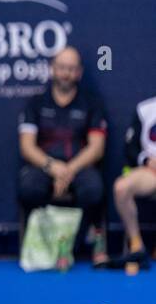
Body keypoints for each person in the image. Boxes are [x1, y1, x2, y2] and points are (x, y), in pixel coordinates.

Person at [17, 46, 108, 265]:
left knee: (94, 188)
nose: (66, 73)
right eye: (61, 67)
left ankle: (82, 241)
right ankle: (43, 243)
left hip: (79, 167)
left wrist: (68, 170)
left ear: (79, 72)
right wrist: (53, 167)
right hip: (44, 166)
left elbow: (97, 148)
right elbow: (27, 147)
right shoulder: (36, 102)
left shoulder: (92, 103)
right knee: (28, 186)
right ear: (52, 69)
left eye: (71, 68)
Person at [113, 94, 156, 269]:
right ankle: (136, 246)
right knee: (121, 188)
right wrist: (147, 160)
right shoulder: (145, 109)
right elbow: (131, 148)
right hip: (151, 171)